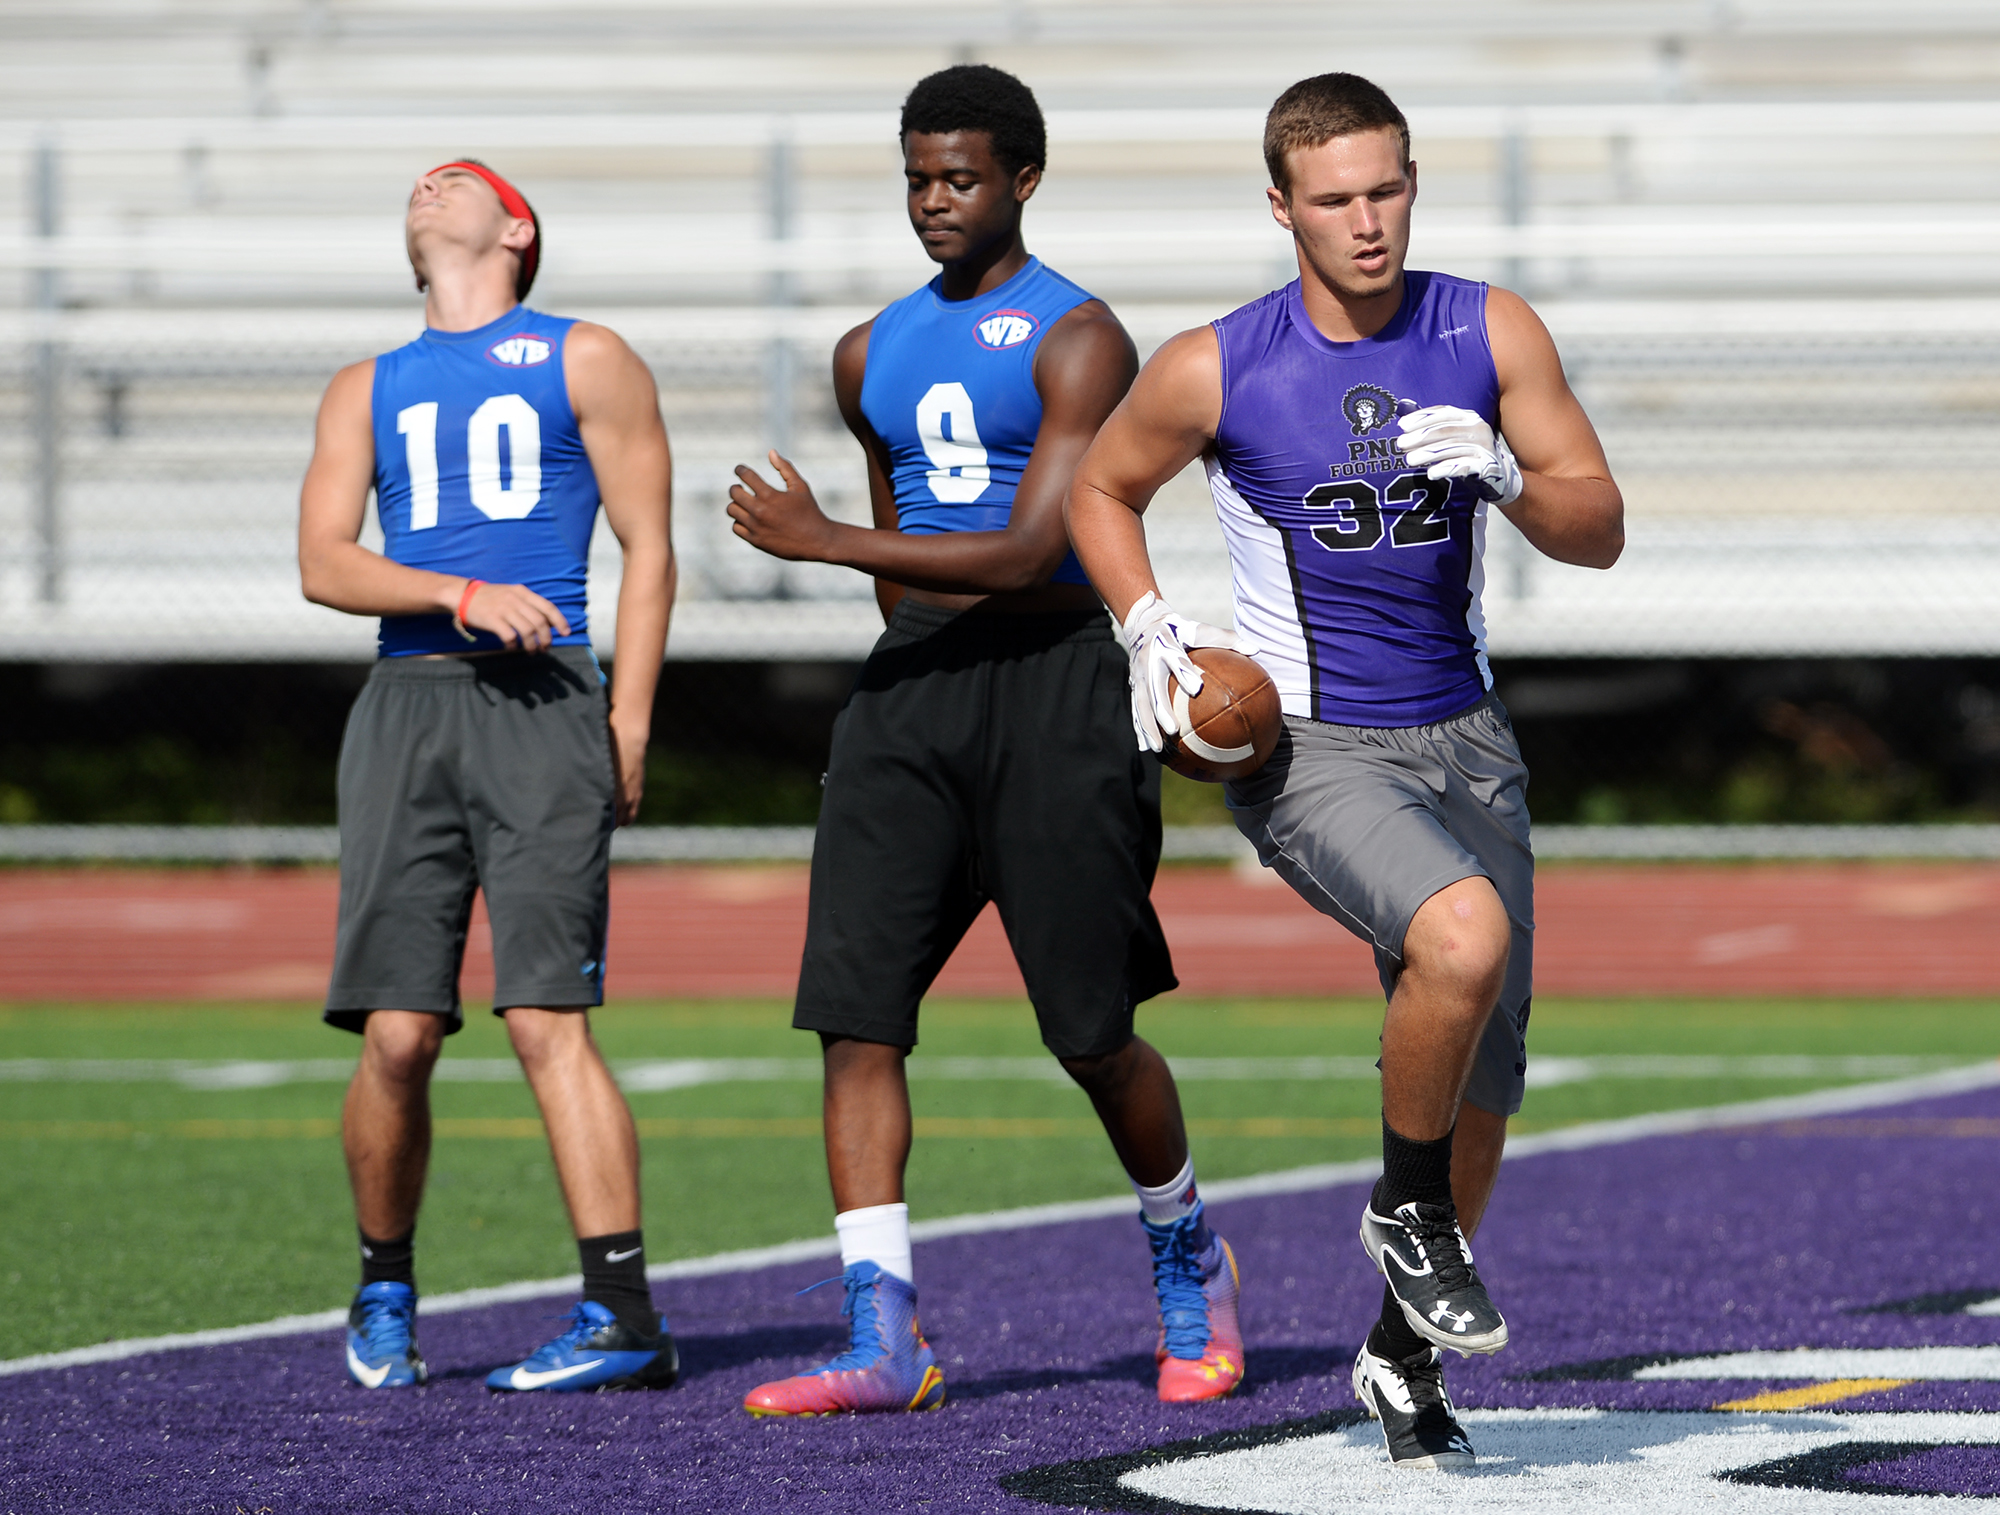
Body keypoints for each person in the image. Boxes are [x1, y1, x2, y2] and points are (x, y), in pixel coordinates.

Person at [1065, 73, 1623, 1470]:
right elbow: (1098, 484)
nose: (1365, 222)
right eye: (1333, 199)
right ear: (1282, 207)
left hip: (1466, 734)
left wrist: (1501, 468)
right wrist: (1145, 621)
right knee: (1462, 931)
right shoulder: (1219, 360)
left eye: (1385, 190)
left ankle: (1397, 1346)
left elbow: (1599, 525)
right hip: (1311, 743)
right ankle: (1409, 1210)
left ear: (1413, 183)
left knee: (1481, 1084)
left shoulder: (1487, 325)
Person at [723, 64, 1243, 1415]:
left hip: (1060, 684)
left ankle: (1190, 1254)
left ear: (1022, 177)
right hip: (913, 691)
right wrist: (876, 577)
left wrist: (823, 539)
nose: (934, 201)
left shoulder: (1080, 337)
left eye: (958, 177)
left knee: (1090, 1029)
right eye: (916, 178)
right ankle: (882, 1335)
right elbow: (912, 580)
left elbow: (1035, 543)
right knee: (854, 1016)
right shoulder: (868, 350)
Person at [297, 159, 678, 1393]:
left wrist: (626, 719)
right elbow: (322, 561)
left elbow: (650, 546)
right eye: (418, 181)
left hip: (546, 702)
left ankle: (620, 1313)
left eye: (461, 181)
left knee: (542, 1017)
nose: (429, 185)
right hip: (407, 700)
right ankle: (384, 1287)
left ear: (515, 228)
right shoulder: (365, 385)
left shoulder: (587, 355)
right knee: (397, 1033)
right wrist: (452, 592)